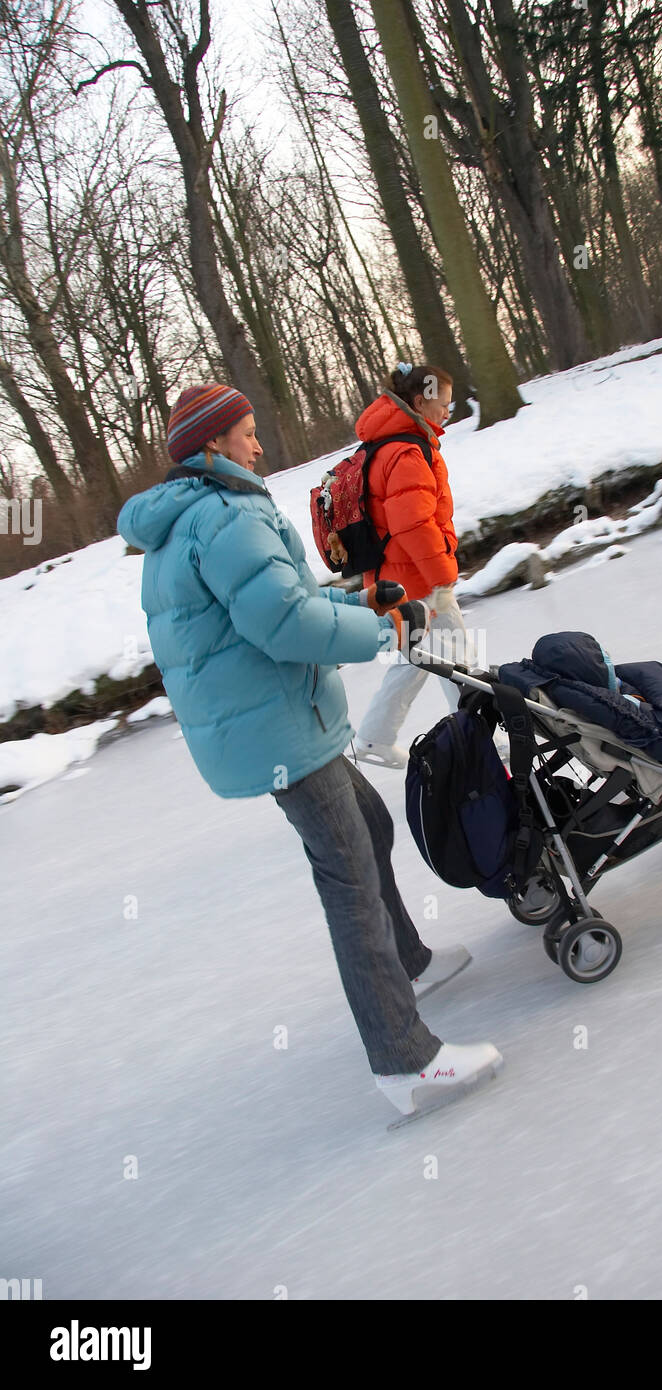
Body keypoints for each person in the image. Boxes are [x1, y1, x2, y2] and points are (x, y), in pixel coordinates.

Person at [116, 383, 502, 1123]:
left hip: (265, 721)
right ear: (211, 447)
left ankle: (409, 966)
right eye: (248, 433)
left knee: (370, 829)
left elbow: (278, 601)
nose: (258, 446)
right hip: (276, 729)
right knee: (349, 877)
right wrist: (388, 635)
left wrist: (364, 605)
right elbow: (283, 626)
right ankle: (406, 1059)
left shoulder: (191, 521)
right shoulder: (223, 519)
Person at [353, 363, 479, 769]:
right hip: (417, 579)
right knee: (458, 659)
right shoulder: (407, 450)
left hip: (394, 576)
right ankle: (482, 739)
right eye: (443, 403)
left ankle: (373, 737)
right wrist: (442, 578)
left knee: (420, 658)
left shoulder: (385, 443)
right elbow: (414, 524)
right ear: (420, 400)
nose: (447, 411)